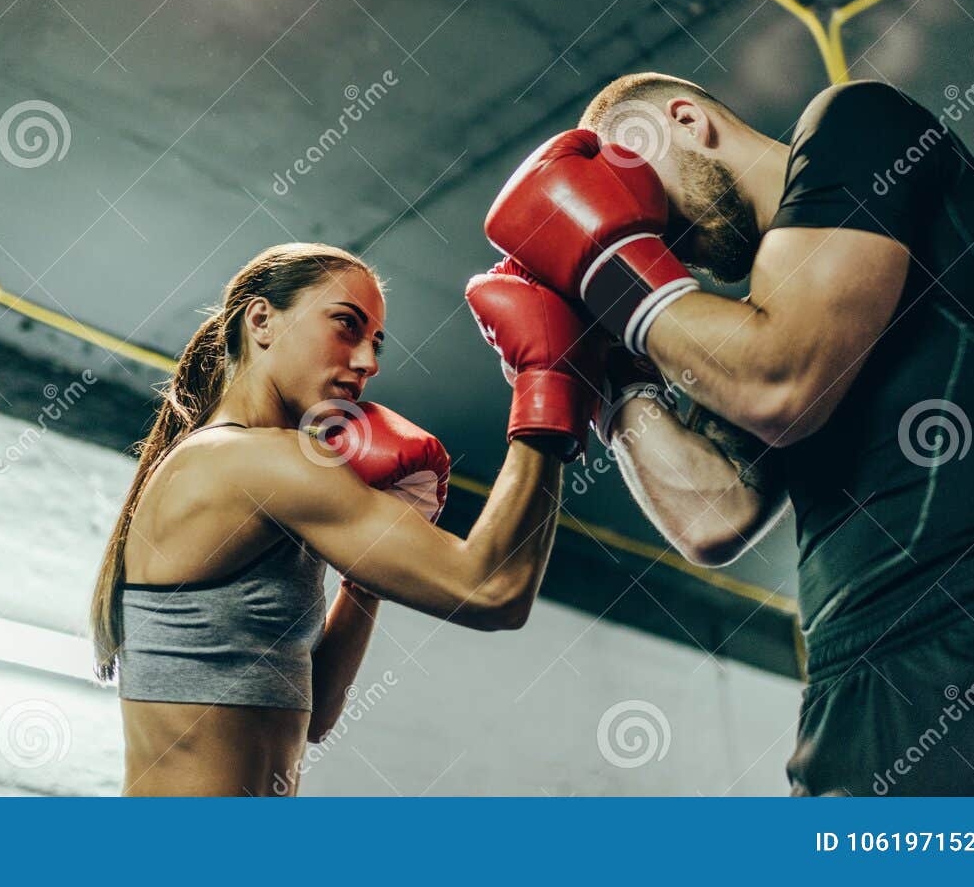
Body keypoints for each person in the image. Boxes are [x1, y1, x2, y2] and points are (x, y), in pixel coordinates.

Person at [484, 72, 974, 796]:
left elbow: (780, 385)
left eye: (642, 197)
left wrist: (605, 267)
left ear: (686, 119)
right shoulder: (759, 319)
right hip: (847, 689)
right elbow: (710, 517)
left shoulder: (859, 124)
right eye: (624, 222)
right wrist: (612, 378)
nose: (653, 233)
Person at [89, 242, 600, 796]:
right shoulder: (248, 461)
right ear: (261, 321)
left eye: (375, 343)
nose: (367, 362)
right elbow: (494, 591)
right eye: (346, 325)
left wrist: (366, 577)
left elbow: (316, 713)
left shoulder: (263, 473)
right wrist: (547, 387)